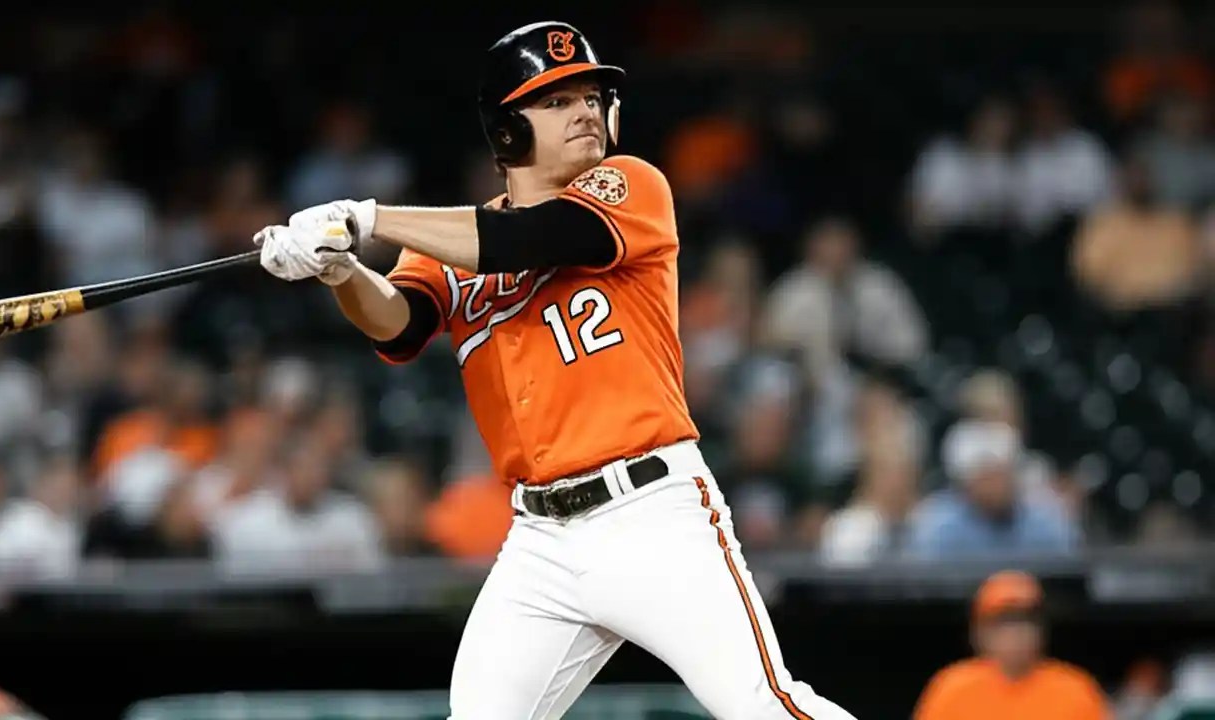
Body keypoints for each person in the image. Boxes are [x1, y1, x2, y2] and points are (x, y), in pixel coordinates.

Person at [252, 20, 855, 720]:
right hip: (540, 538)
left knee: (763, 706)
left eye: (592, 97)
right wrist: (340, 268)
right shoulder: (451, 243)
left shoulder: (631, 185)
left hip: (649, 513)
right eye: (559, 100)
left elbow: (527, 238)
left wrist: (369, 217)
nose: (586, 112)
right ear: (508, 132)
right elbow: (400, 325)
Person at [913, 570, 1112, 720]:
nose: (1017, 632)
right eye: (1005, 622)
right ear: (979, 632)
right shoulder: (950, 689)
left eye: (1027, 621)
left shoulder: (1076, 690)